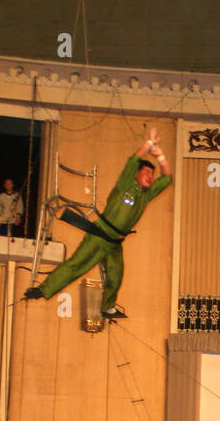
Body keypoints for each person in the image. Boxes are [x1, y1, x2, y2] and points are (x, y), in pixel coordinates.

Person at [23, 130, 172, 320]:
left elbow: (167, 177)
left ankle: (107, 307)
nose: (151, 176)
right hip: (100, 235)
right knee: (77, 265)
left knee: (116, 276)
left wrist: (160, 156)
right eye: (147, 172)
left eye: (152, 173)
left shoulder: (146, 195)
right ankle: (43, 290)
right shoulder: (126, 184)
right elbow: (133, 159)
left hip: (115, 242)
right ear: (137, 174)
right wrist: (149, 144)